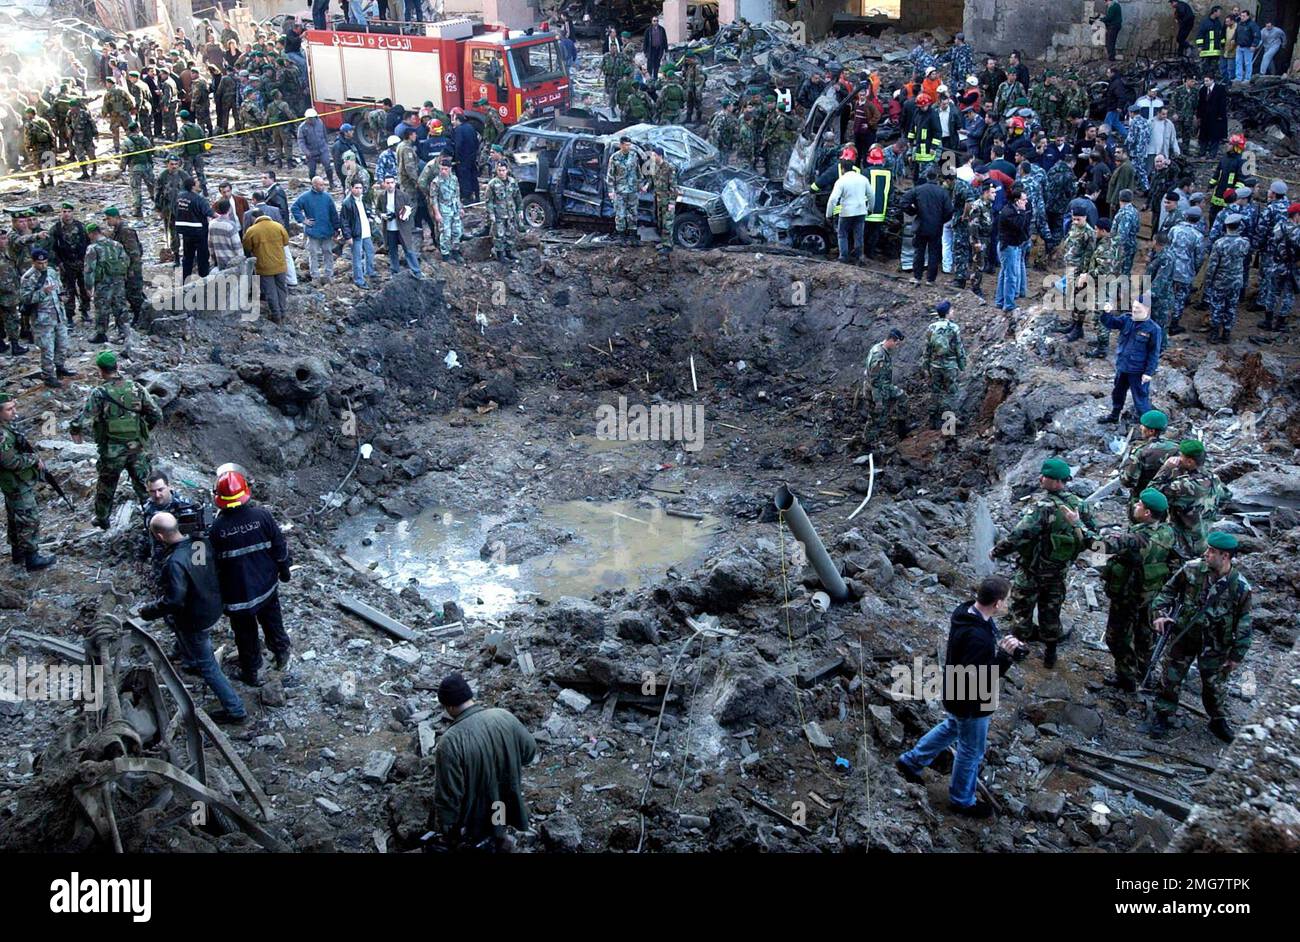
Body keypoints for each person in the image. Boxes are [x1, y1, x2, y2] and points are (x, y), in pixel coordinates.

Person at [895, 576, 1023, 819]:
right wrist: (1004, 657)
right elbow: (981, 678)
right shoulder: (979, 637)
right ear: (996, 603)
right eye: (1006, 600)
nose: (1008, 604)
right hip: (972, 702)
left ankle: (911, 761)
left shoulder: (965, 612)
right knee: (970, 751)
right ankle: (962, 800)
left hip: (956, 693)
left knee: (951, 726)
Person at [138, 511, 247, 724]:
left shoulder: (174, 562)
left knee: (208, 666)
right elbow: (199, 570)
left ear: (159, 537)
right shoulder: (199, 544)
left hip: (195, 619)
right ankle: (190, 659)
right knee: (191, 644)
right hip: (212, 607)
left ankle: (236, 710)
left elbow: (174, 601)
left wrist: (148, 611)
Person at [991, 457, 1098, 668]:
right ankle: (1050, 654)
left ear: (1056, 482)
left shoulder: (1043, 507)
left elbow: (1019, 535)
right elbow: (1092, 535)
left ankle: (1016, 651)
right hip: (1058, 572)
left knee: (1022, 611)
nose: (1041, 478)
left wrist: (996, 551)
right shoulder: (1080, 505)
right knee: (1051, 612)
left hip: (1032, 570)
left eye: (1045, 476)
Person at [1149, 531, 1252, 742]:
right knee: (1170, 677)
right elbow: (1166, 592)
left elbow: (1244, 621)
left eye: (1212, 551)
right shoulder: (1191, 569)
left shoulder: (1239, 586)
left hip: (1216, 644)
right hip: (1184, 635)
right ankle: (1163, 713)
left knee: (1214, 685)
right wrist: (1160, 615)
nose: (1206, 553)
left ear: (1225, 556)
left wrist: (1236, 655)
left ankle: (1218, 719)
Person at [431, 672, 537, 851]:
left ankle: (492, 842)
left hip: (475, 819)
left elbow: (450, 793)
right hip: (503, 803)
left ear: (448, 707)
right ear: (469, 696)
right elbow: (529, 753)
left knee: (478, 842)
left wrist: (446, 825)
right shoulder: (504, 716)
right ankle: (500, 839)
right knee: (498, 823)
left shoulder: (450, 742)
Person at [210, 468, 292, 687]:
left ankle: (252, 672)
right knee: (273, 621)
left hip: (238, 597)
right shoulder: (262, 516)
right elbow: (280, 547)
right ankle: (281, 653)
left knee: (245, 635)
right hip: (266, 586)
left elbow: (210, 566)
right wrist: (285, 571)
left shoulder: (216, 529)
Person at [69, 350, 162, 529]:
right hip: (136, 447)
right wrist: (143, 431)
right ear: (118, 367)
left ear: (100, 371)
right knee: (143, 485)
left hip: (111, 450)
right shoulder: (136, 388)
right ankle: (155, 519)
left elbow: (85, 417)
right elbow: (156, 414)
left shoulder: (99, 393)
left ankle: (103, 519)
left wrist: (74, 429)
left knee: (106, 485)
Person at [1097, 488, 1177, 692]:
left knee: (1117, 637)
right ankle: (1145, 671)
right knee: (1144, 633)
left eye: (1140, 504)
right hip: (1150, 592)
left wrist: (1079, 523)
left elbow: (1099, 547)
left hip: (1128, 594)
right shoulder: (1167, 531)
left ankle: (1126, 678)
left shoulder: (1137, 538)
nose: (1135, 506)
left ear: (1148, 513)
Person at [0, 391, 55, 570]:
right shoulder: (2, 436)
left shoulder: (6, 426)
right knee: (29, 518)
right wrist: (33, 460)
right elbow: (11, 461)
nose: (14, 411)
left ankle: (18, 552)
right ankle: (32, 557)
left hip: (12, 482)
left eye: (14, 407)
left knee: (15, 516)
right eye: (9, 409)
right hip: (15, 481)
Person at [1149, 438, 1227, 561]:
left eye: (1181, 456)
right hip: (1205, 536)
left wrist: (1166, 468)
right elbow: (1226, 495)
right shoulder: (1214, 478)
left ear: (1190, 462)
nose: (1179, 458)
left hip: (1184, 542)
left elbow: (1151, 494)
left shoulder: (1184, 485)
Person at [1099, 300, 1163, 423]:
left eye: (1138, 308)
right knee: (1117, 393)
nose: (1134, 310)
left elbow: (1154, 353)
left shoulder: (1153, 329)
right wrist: (1106, 313)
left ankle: (1148, 426)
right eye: (1133, 307)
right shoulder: (1127, 319)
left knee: (1140, 400)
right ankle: (1114, 415)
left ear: (1147, 310)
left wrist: (1148, 373)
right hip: (1122, 367)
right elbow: (1110, 323)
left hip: (1138, 371)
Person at [20, 249, 72, 388]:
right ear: (33, 262)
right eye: (39, 263)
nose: (42, 265)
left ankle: (60, 367)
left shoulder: (51, 272)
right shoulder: (28, 277)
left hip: (58, 315)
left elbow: (59, 288)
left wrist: (63, 297)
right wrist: (43, 292)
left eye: (44, 262)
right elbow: (26, 299)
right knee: (47, 349)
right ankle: (49, 376)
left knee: (62, 345)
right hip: (42, 319)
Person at [83, 222, 132, 352]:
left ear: (92, 233)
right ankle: (124, 332)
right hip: (118, 281)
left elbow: (89, 269)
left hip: (103, 283)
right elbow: (126, 261)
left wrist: (88, 286)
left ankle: (101, 333)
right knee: (120, 305)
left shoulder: (93, 248)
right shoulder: (117, 245)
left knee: (102, 307)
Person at [1202, 212, 1250, 343]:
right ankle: (1227, 333)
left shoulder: (1219, 244)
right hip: (1236, 281)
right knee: (1231, 306)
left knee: (1217, 306)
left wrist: (1207, 282)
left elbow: (1212, 266)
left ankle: (1215, 333)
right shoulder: (1244, 243)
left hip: (1220, 281)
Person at [900, 170, 952, 284]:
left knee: (919, 251)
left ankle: (917, 277)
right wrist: (941, 220)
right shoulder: (942, 192)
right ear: (937, 177)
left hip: (921, 225)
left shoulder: (918, 189)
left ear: (926, 177)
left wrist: (914, 211)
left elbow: (903, 202)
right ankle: (930, 279)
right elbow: (949, 210)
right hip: (936, 227)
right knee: (934, 253)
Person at [921, 300, 966, 429]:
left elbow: (927, 349)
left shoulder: (931, 327)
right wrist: (962, 365)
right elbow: (959, 348)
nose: (953, 312)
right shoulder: (954, 328)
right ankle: (949, 427)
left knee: (935, 392)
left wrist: (926, 366)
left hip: (935, 366)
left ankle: (932, 423)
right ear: (947, 313)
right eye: (951, 310)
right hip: (950, 366)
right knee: (951, 394)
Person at [242, 209, 290, 321]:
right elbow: (286, 242)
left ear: (254, 218)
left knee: (270, 291)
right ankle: (283, 312)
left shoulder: (252, 230)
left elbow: (247, 247)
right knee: (281, 288)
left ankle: (276, 315)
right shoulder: (278, 226)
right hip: (280, 264)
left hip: (264, 267)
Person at [49, 203, 91, 328]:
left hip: (81, 263)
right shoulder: (56, 229)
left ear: (73, 213)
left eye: (68, 211)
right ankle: (69, 316)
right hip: (66, 265)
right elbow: (51, 248)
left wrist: (87, 261)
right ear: (60, 213)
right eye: (64, 211)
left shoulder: (80, 226)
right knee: (69, 290)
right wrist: (59, 262)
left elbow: (88, 243)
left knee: (84, 288)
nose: (66, 214)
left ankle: (85, 311)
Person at [292, 176, 341, 284]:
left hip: (327, 230)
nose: (323, 186)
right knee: (313, 253)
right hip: (313, 231)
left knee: (328, 252)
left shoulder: (327, 197)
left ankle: (329, 275)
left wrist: (336, 228)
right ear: (314, 185)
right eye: (320, 185)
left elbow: (333, 213)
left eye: (323, 184)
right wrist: (303, 220)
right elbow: (294, 207)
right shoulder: (305, 197)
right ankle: (315, 276)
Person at [863, 328, 907, 444]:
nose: (897, 347)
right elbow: (875, 382)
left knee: (902, 396)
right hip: (875, 392)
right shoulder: (879, 356)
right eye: (897, 344)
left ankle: (901, 429)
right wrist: (878, 402)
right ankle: (869, 444)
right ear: (892, 340)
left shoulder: (880, 348)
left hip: (884, 387)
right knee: (876, 419)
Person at [826, 158, 871, 264]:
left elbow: (833, 199)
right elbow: (871, 195)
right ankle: (859, 257)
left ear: (842, 169)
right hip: (861, 211)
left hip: (846, 212)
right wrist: (870, 208)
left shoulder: (841, 181)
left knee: (842, 234)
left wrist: (829, 214)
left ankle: (843, 257)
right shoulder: (863, 179)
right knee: (858, 234)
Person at [377, 176, 422, 277]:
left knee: (408, 249)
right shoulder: (382, 196)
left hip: (402, 227)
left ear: (395, 183)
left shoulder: (403, 195)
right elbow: (378, 209)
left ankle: (416, 271)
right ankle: (395, 271)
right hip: (389, 227)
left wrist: (401, 215)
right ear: (384, 184)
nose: (390, 185)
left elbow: (410, 207)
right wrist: (382, 215)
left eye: (392, 183)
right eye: (387, 183)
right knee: (392, 251)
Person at [995, 188, 1031, 313]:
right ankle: (1008, 304)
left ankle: (1000, 301)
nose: (1026, 202)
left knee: (1005, 273)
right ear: (1017, 201)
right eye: (1024, 200)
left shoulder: (1010, 210)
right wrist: (1022, 212)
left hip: (1011, 246)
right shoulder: (1009, 212)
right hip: (1008, 247)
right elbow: (1019, 225)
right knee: (1010, 276)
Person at [340, 181, 377, 288]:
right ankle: (359, 280)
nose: (358, 190)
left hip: (366, 232)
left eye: (360, 188)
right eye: (356, 188)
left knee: (370, 252)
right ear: (351, 188)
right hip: (356, 234)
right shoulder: (347, 203)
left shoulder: (363, 200)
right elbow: (344, 221)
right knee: (357, 258)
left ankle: (369, 272)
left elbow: (366, 212)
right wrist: (348, 236)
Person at [605, 136, 642, 247]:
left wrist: (640, 185)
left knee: (633, 213)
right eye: (626, 145)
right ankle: (621, 237)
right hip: (620, 191)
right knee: (620, 214)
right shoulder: (615, 158)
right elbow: (610, 176)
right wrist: (611, 191)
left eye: (629, 145)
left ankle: (632, 236)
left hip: (632, 190)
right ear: (621, 145)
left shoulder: (634, 155)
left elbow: (638, 172)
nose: (628, 147)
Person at [643, 146, 679, 255]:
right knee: (660, 222)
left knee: (667, 224)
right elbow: (651, 180)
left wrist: (672, 203)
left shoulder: (669, 168)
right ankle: (663, 243)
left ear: (660, 155)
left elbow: (673, 187)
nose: (652, 157)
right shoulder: (653, 166)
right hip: (657, 200)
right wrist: (646, 187)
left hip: (667, 200)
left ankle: (668, 246)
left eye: (654, 155)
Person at [207, 198, 245, 271]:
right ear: (229, 209)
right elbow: (237, 246)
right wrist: (242, 260)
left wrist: (213, 258)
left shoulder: (212, 224)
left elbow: (210, 244)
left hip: (219, 260)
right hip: (232, 262)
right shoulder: (230, 225)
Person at [1196, 6, 1228, 76]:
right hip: (1206, 50)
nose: (1220, 14)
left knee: (1214, 68)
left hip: (1215, 50)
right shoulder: (1205, 22)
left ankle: (1212, 79)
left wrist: (1223, 45)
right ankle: (1204, 79)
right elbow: (1200, 34)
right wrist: (1200, 46)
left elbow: (1221, 35)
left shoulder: (1218, 23)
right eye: (1219, 12)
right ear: (1214, 12)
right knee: (1205, 67)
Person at [1233, 9, 1259, 82]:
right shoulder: (1239, 24)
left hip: (1248, 47)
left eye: (1244, 16)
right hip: (1239, 46)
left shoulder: (1252, 25)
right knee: (1238, 62)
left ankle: (1247, 78)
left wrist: (1254, 45)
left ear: (1248, 16)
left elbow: (1257, 35)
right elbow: (1236, 33)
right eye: (1241, 16)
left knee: (1247, 63)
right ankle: (1238, 77)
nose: (1242, 17)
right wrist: (1234, 40)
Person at [643, 16, 668, 83]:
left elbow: (665, 40)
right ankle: (649, 80)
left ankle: (655, 78)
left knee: (657, 65)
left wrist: (666, 49)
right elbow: (645, 41)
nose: (655, 22)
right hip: (651, 50)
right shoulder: (648, 30)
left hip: (659, 50)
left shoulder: (662, 29)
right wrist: (645, 51)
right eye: (654, 21)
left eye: (657, 21)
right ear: (652, 22)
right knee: (650, 65)